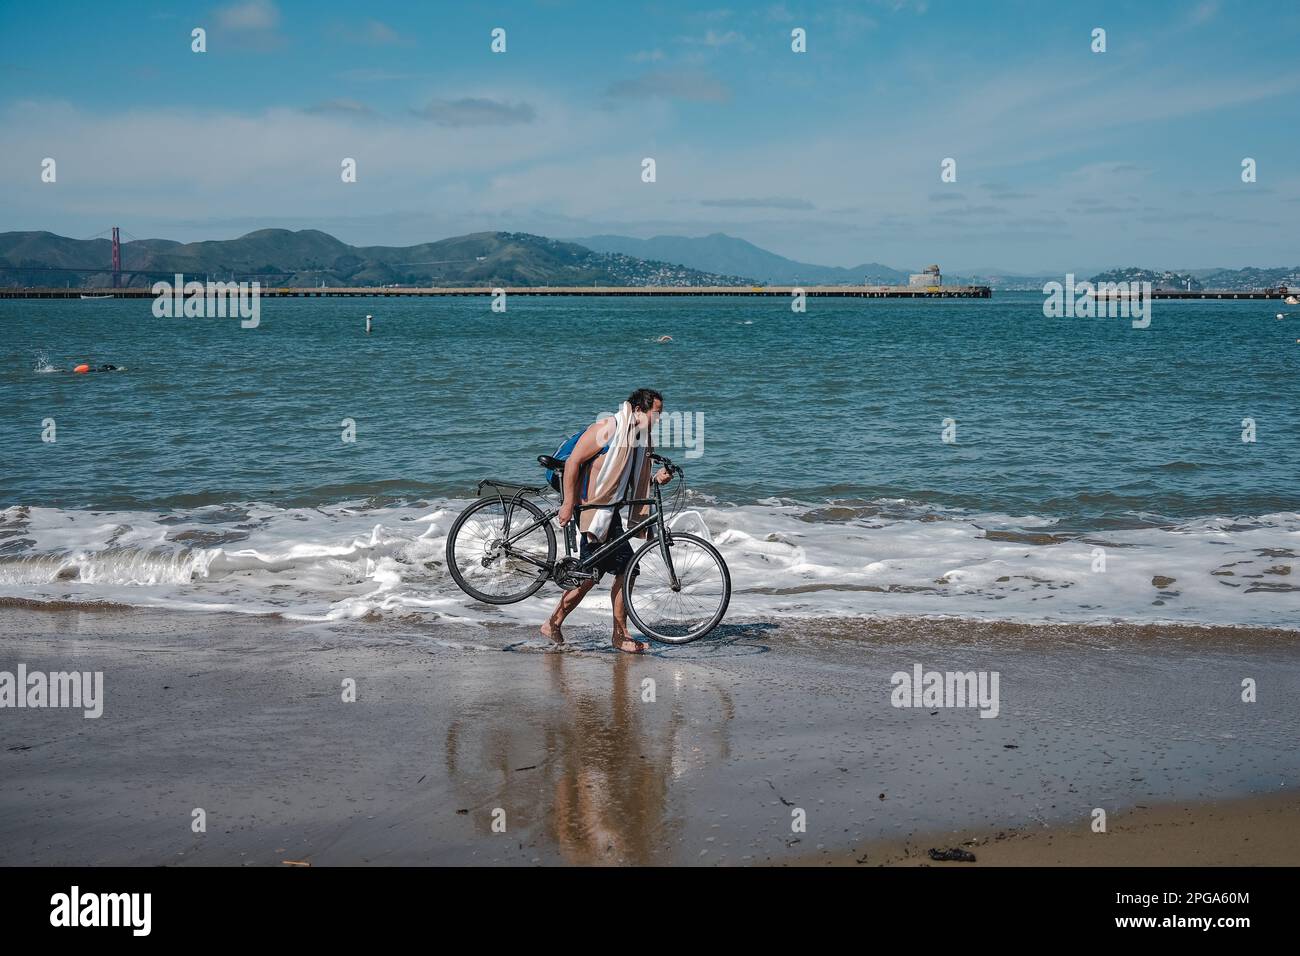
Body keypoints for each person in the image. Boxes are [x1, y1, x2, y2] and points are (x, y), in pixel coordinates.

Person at [541, 388, 672, 653]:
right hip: (590, 508)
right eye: (655, 413)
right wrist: (567, 503)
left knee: (595, 574)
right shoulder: (608, 428)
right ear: (638, 410)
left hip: (607, 510)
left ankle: (555, 623)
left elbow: (628, 480)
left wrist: (656, 479)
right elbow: (573, 462)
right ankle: (618, 635)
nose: (659, 418)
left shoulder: (638, 440)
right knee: (623, 569)